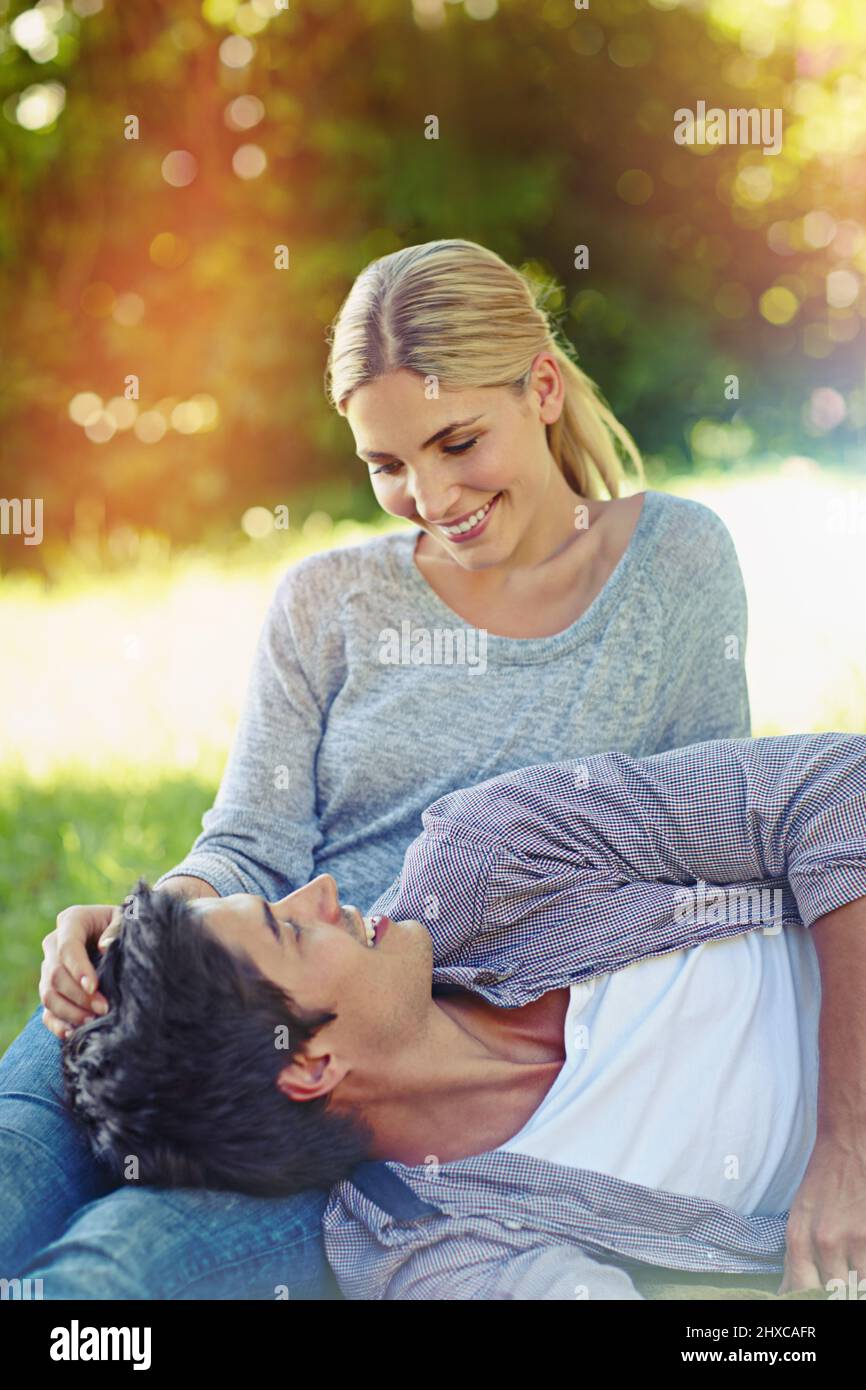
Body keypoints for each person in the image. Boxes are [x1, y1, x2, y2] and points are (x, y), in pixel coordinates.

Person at [0, 238, 751, 1299]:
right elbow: (249, 846)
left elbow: (704, 845)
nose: (429, 494)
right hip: (223, 985)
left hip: (376, 1075)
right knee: (15, 1159)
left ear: (539, 386)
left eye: (455, 442)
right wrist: (149, 917)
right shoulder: (326, 600)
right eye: (386, 465)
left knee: (126, 1266)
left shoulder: (673, 563)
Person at [49, 732, 866, 1300]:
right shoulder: (426, 1242)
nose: (324, 893)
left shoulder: (488, 852)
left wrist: (846, 1144)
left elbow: (837, 790)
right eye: (289, 928)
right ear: (306, 1063)